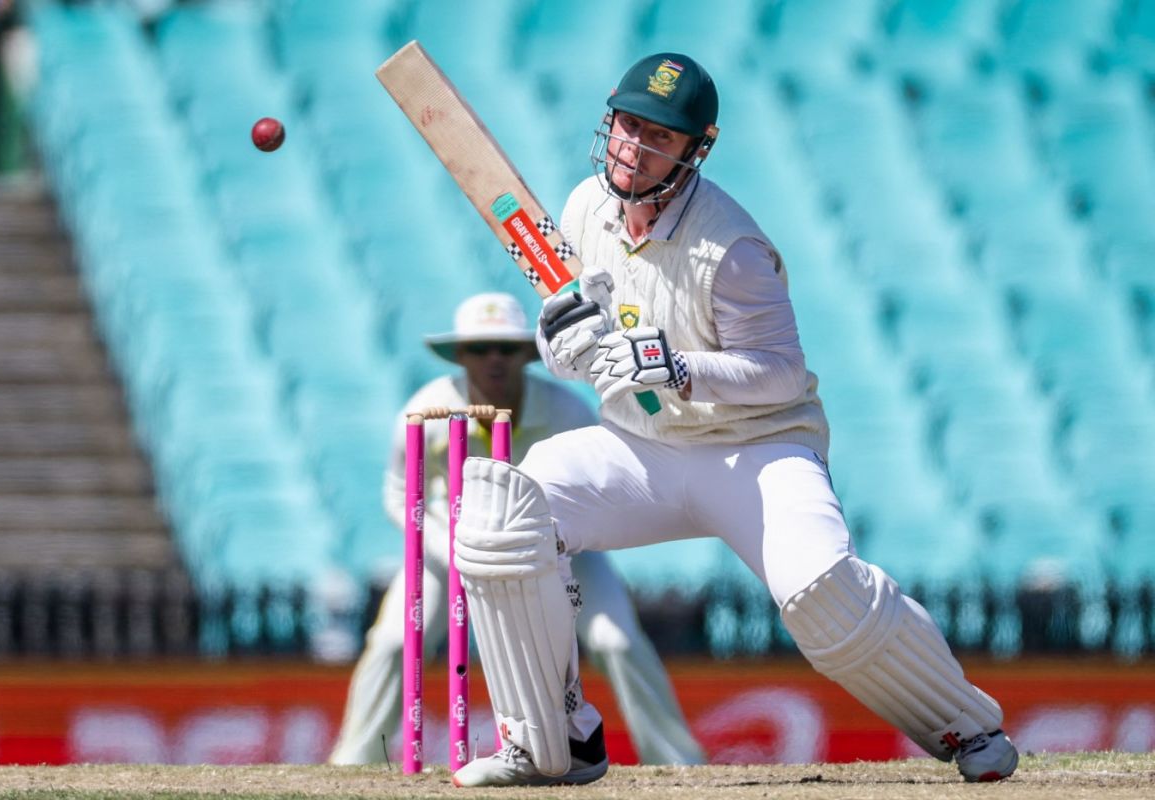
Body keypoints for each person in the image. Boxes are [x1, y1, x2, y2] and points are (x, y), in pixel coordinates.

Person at [447, 54, 1020, 787]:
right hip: (642, 449)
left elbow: (779, 370)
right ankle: (553, 743)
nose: (634, 147)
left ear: (696, 147)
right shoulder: (585, 209)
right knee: (503, 516)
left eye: (659, 136)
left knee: (819, 592)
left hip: (757, 450)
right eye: (628, 126)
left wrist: (680, 366)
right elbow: (578, 339)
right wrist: (558, 345)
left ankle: (967, 727)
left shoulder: (732, 247)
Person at [328, 291, 705, 767]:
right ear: (460, 355)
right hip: (450, 544)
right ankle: (356, 762)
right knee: (397, 639)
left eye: (506, 348)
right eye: (479, 348)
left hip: (559, 545)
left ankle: (677, 762)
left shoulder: (566, 413)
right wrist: (446, 547)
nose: (493, 360)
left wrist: (551, 541)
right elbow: (399, 494)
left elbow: (602, 489)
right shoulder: (428, 411)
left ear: (527, 355)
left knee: (617, 640)